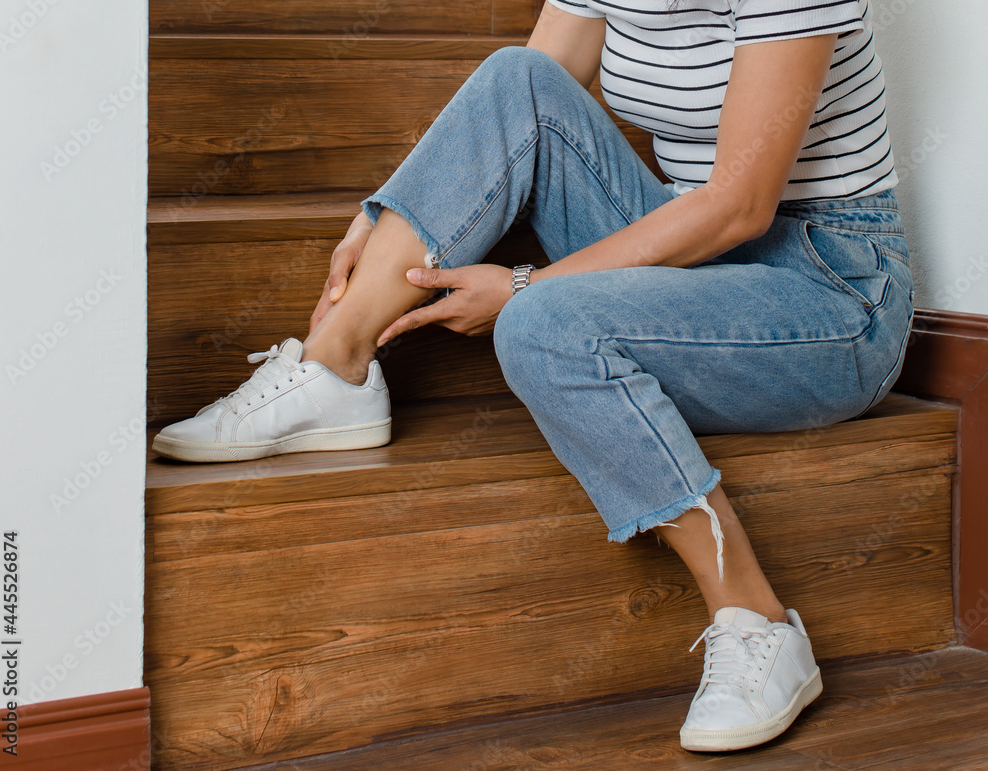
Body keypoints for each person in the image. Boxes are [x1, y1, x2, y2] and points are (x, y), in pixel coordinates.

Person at [152, 0, 913, 752]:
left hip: (829, 289)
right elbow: (514, 101)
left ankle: (758, 620)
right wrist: (387, 213)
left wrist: (525, 286)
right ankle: (334, 366)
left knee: (541, 325)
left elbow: (740, 206)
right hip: (690, 250)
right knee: (518, 78)